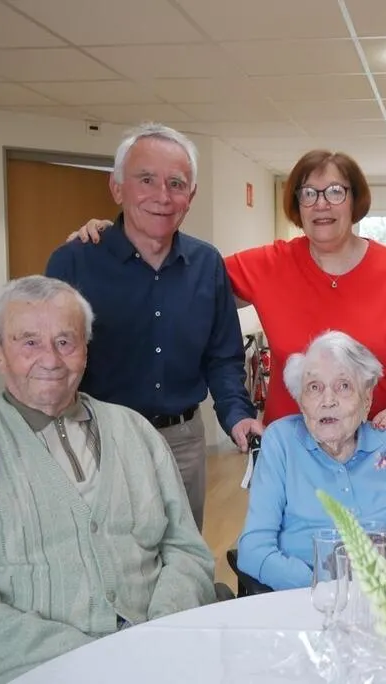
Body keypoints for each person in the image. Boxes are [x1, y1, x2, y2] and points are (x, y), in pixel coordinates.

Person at [0, 276, 219, 684]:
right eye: (29, 342)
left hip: (153, 655)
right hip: (29, 668)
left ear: (85, 351)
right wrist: (94, 659)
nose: (50, 359)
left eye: (65, 341)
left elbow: (187, 551)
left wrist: (156, 636)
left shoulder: (134, 430)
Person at [68, 148, 386, 464]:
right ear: (296, 204)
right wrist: (125, 237)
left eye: (335, 192)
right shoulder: (270, 264)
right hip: (295, 451)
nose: (321, 204)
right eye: (308, 194)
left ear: (355, 199)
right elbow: (181, 279)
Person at [46, 122, 262, 532]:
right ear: (117, 188)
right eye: (146, 179)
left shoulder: (207, 264)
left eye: (176, 184)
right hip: (98, 439)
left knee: (183, 553)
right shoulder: (74, 262)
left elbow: (223, 358)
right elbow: (50, 359)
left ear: (190, 196)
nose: (162, 196)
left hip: (182, 442)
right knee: (104, 553)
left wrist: (238, 416)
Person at [235, 330, 386, 590]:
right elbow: (253, 550)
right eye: (314, 388)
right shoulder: (281, 442)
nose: (328, 401)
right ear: (301, 401)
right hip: (314, 602)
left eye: (343, 386)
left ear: (367, 398)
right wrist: (322, 588)